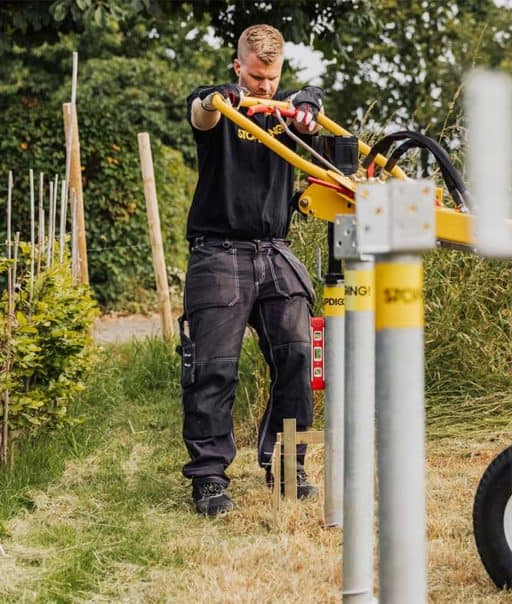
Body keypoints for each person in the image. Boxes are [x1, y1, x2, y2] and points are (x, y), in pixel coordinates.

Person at [180, 24, 323, 515]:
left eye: (272, 77)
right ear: (238, 66)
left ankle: (287, 466)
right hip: (219, 251)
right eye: (257, 76)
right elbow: (199, 112)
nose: (264, 86)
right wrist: (218, 100)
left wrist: (309, 107)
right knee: (213, 367)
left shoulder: (287, 113)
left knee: (299, 356)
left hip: (274, 250)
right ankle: (208, 478)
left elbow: (312, 124)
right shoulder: (218, 106)